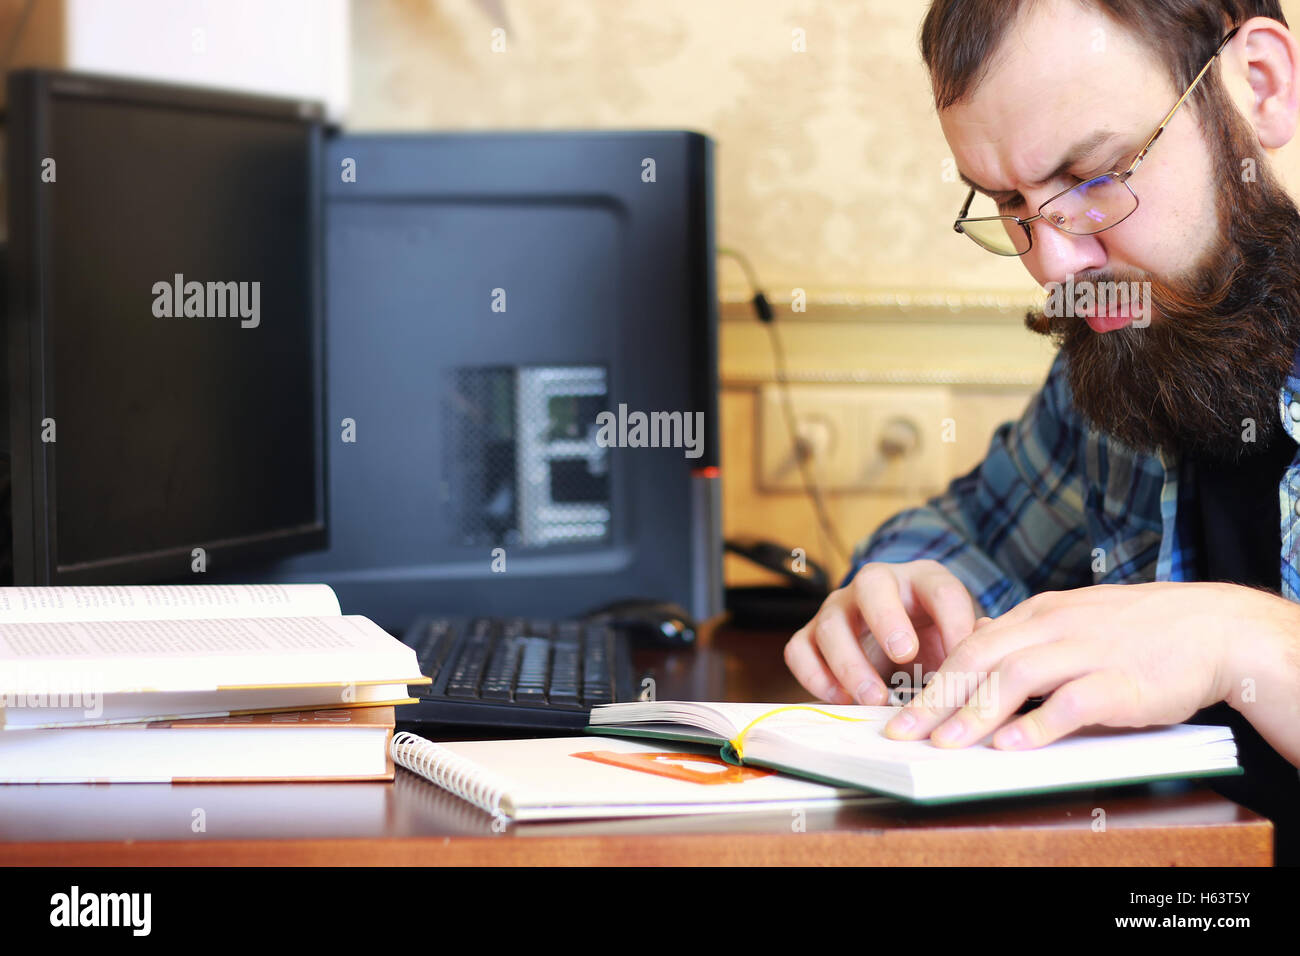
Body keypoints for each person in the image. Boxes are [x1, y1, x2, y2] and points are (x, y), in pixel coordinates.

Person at [783, 0, 1300, 864]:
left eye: (1095, 178)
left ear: (1260, 86)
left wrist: (1242, 640)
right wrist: (902, 602)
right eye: (1013, 206)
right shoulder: (1123, 361)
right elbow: (965, 536)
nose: (1055, 266)